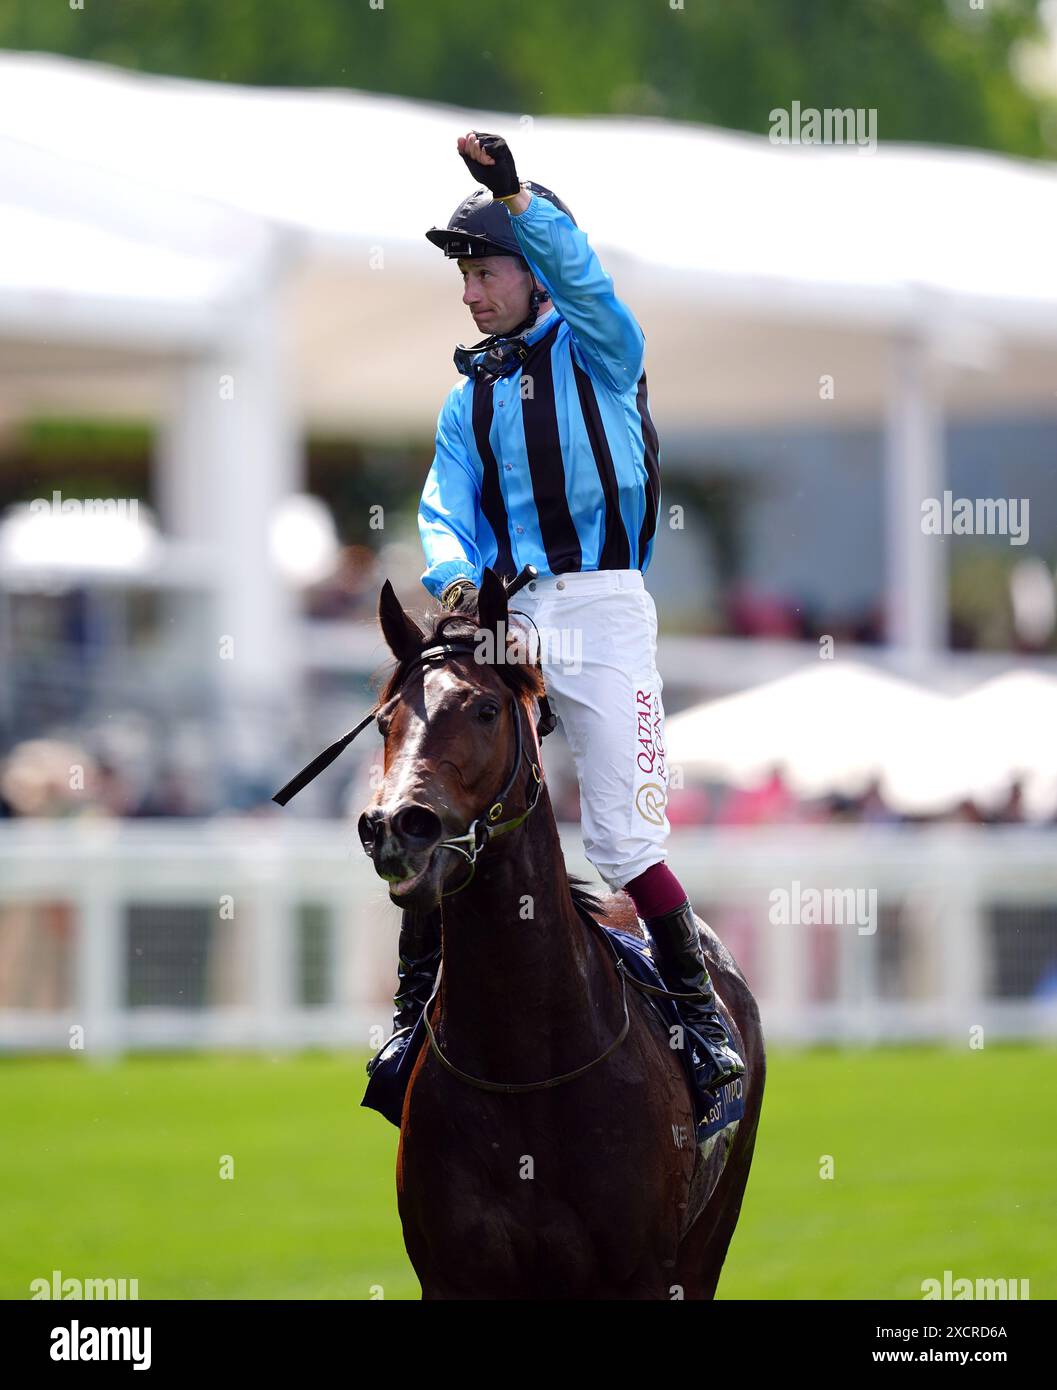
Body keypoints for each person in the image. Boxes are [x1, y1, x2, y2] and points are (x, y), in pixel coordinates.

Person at [367, 131, 744, 1094]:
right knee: (439, 798)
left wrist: (521, 200)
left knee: (624, 841)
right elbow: (445, 506)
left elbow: (587, 286)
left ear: (534, 273)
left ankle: (701, 1023)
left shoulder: (603, 350)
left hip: (607, 610)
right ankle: (413, 1018)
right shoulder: (469, 398)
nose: (469, 292)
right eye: (466, 275)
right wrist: (455, 577)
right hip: (510, 618)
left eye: (484, 271)